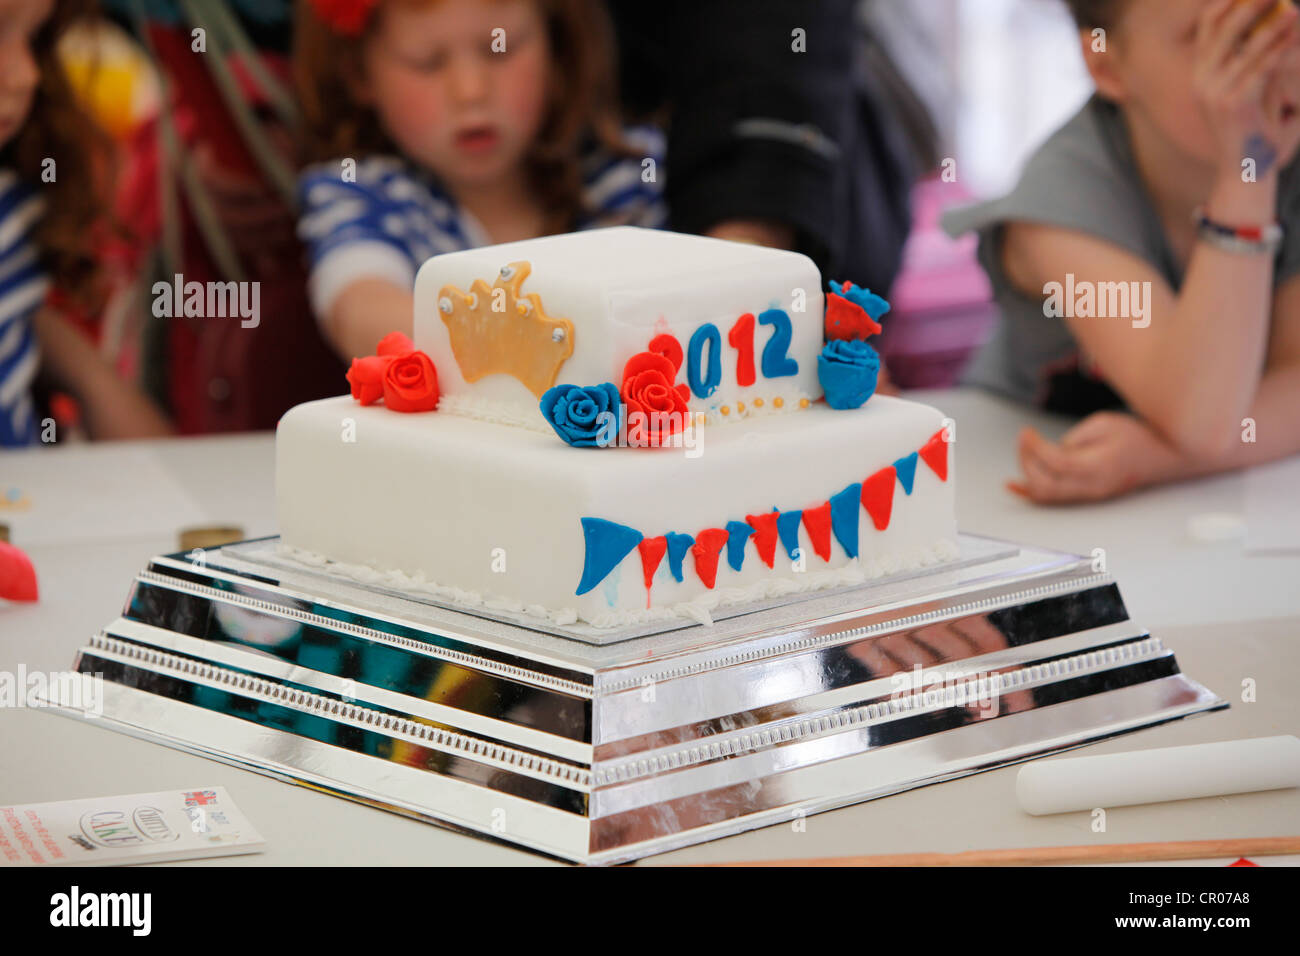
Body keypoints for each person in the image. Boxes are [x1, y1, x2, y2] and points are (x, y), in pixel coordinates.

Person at [944, 0, 1300, 503]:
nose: (1264, 62)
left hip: (1197, 498)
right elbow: (1200, 415)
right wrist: (1249, 171)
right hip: (1017, 463)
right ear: (1106, 64)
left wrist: (1155, 459)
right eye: (1213, 37)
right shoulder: (1061, 197)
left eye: (1268, 24)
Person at [293, 0, 666, 363]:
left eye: (499, 51)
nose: (471, 90)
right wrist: (528, 354)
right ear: (359, 74)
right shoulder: (359, 192)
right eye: (428, 62)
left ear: (556, 46)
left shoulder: (624, 171)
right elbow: (359, 312)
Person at [0, 0, 170, 447]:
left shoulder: (14, 213)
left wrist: (90, 379)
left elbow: (98, 391)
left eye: (36, 39)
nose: (26, 75)